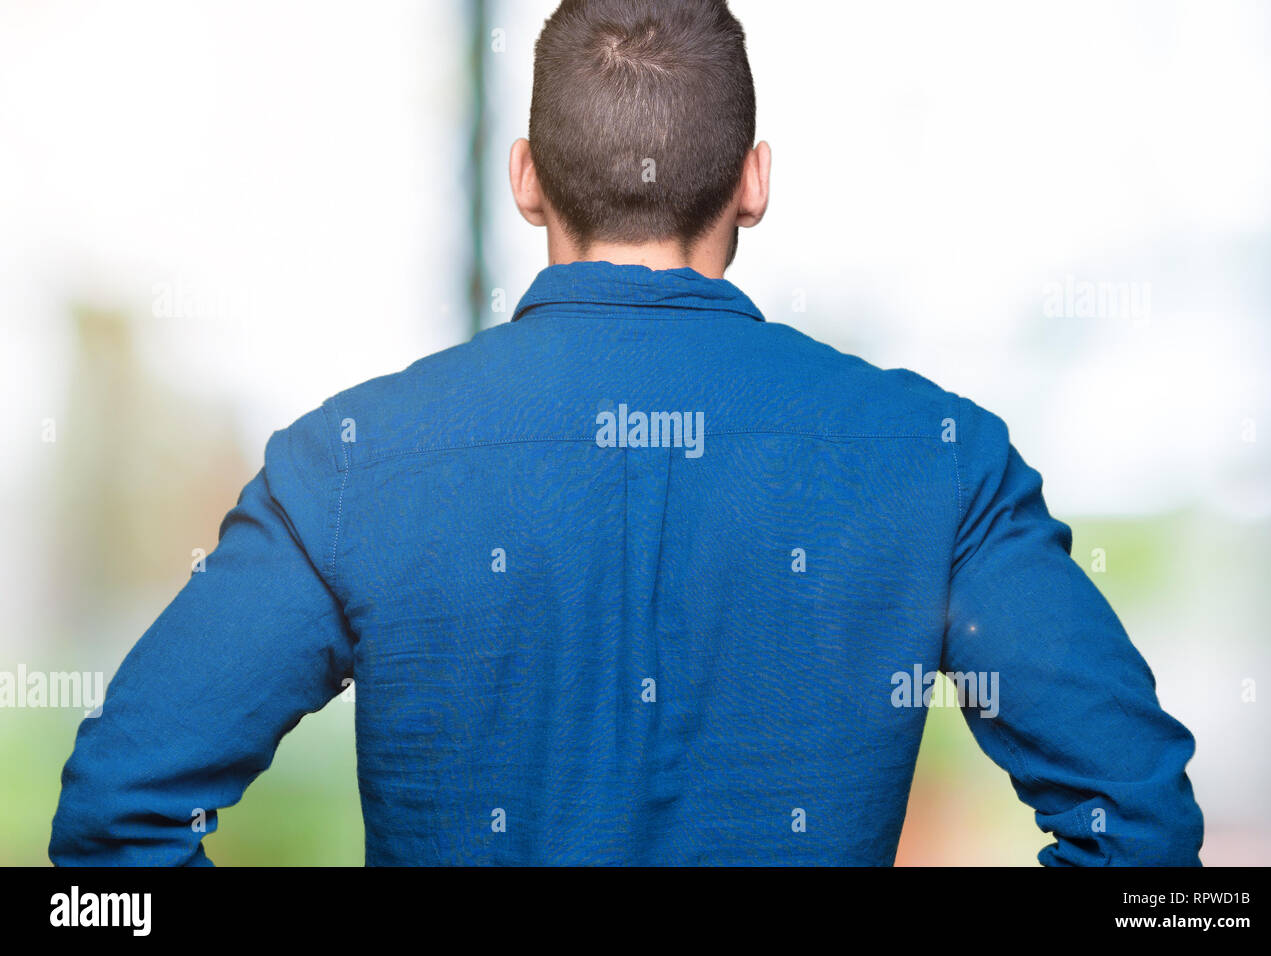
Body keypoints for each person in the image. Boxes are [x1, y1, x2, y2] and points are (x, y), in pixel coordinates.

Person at [49, 0, 1202, 866]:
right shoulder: (939, 461)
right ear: (753, 182)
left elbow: (116, 823)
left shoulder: (348, 465)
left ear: (526, 180)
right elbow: (1140, 828)